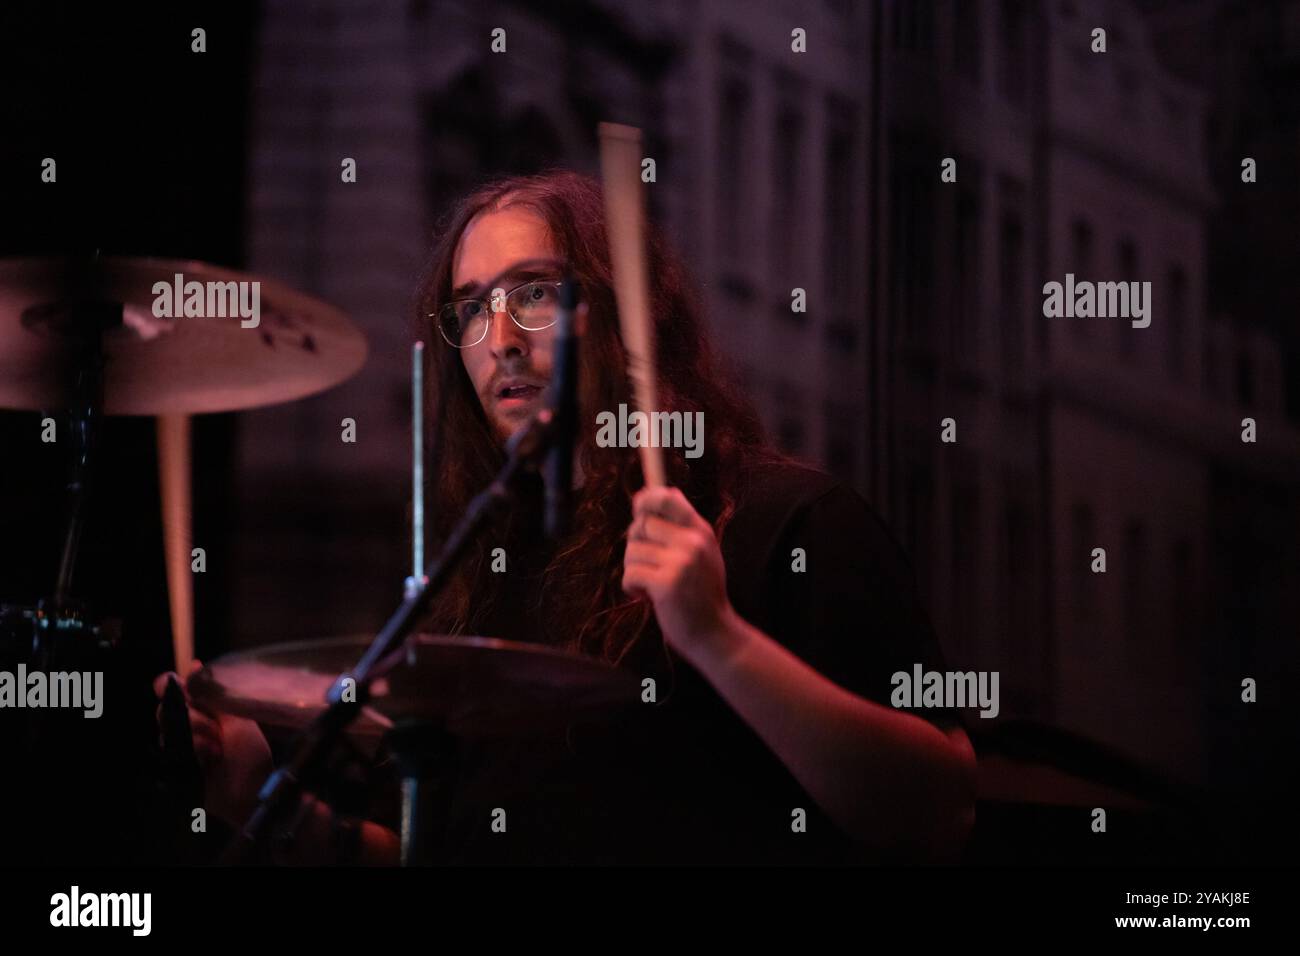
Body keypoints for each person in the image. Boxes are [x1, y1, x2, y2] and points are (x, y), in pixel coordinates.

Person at [155, 168, 976, 865]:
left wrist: (719, 639)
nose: (501, 338)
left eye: (536, 293)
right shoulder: (479, 570)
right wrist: (262, 800)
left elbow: (939, 810)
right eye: (471, 308)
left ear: (624, 319)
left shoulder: (788, 523)